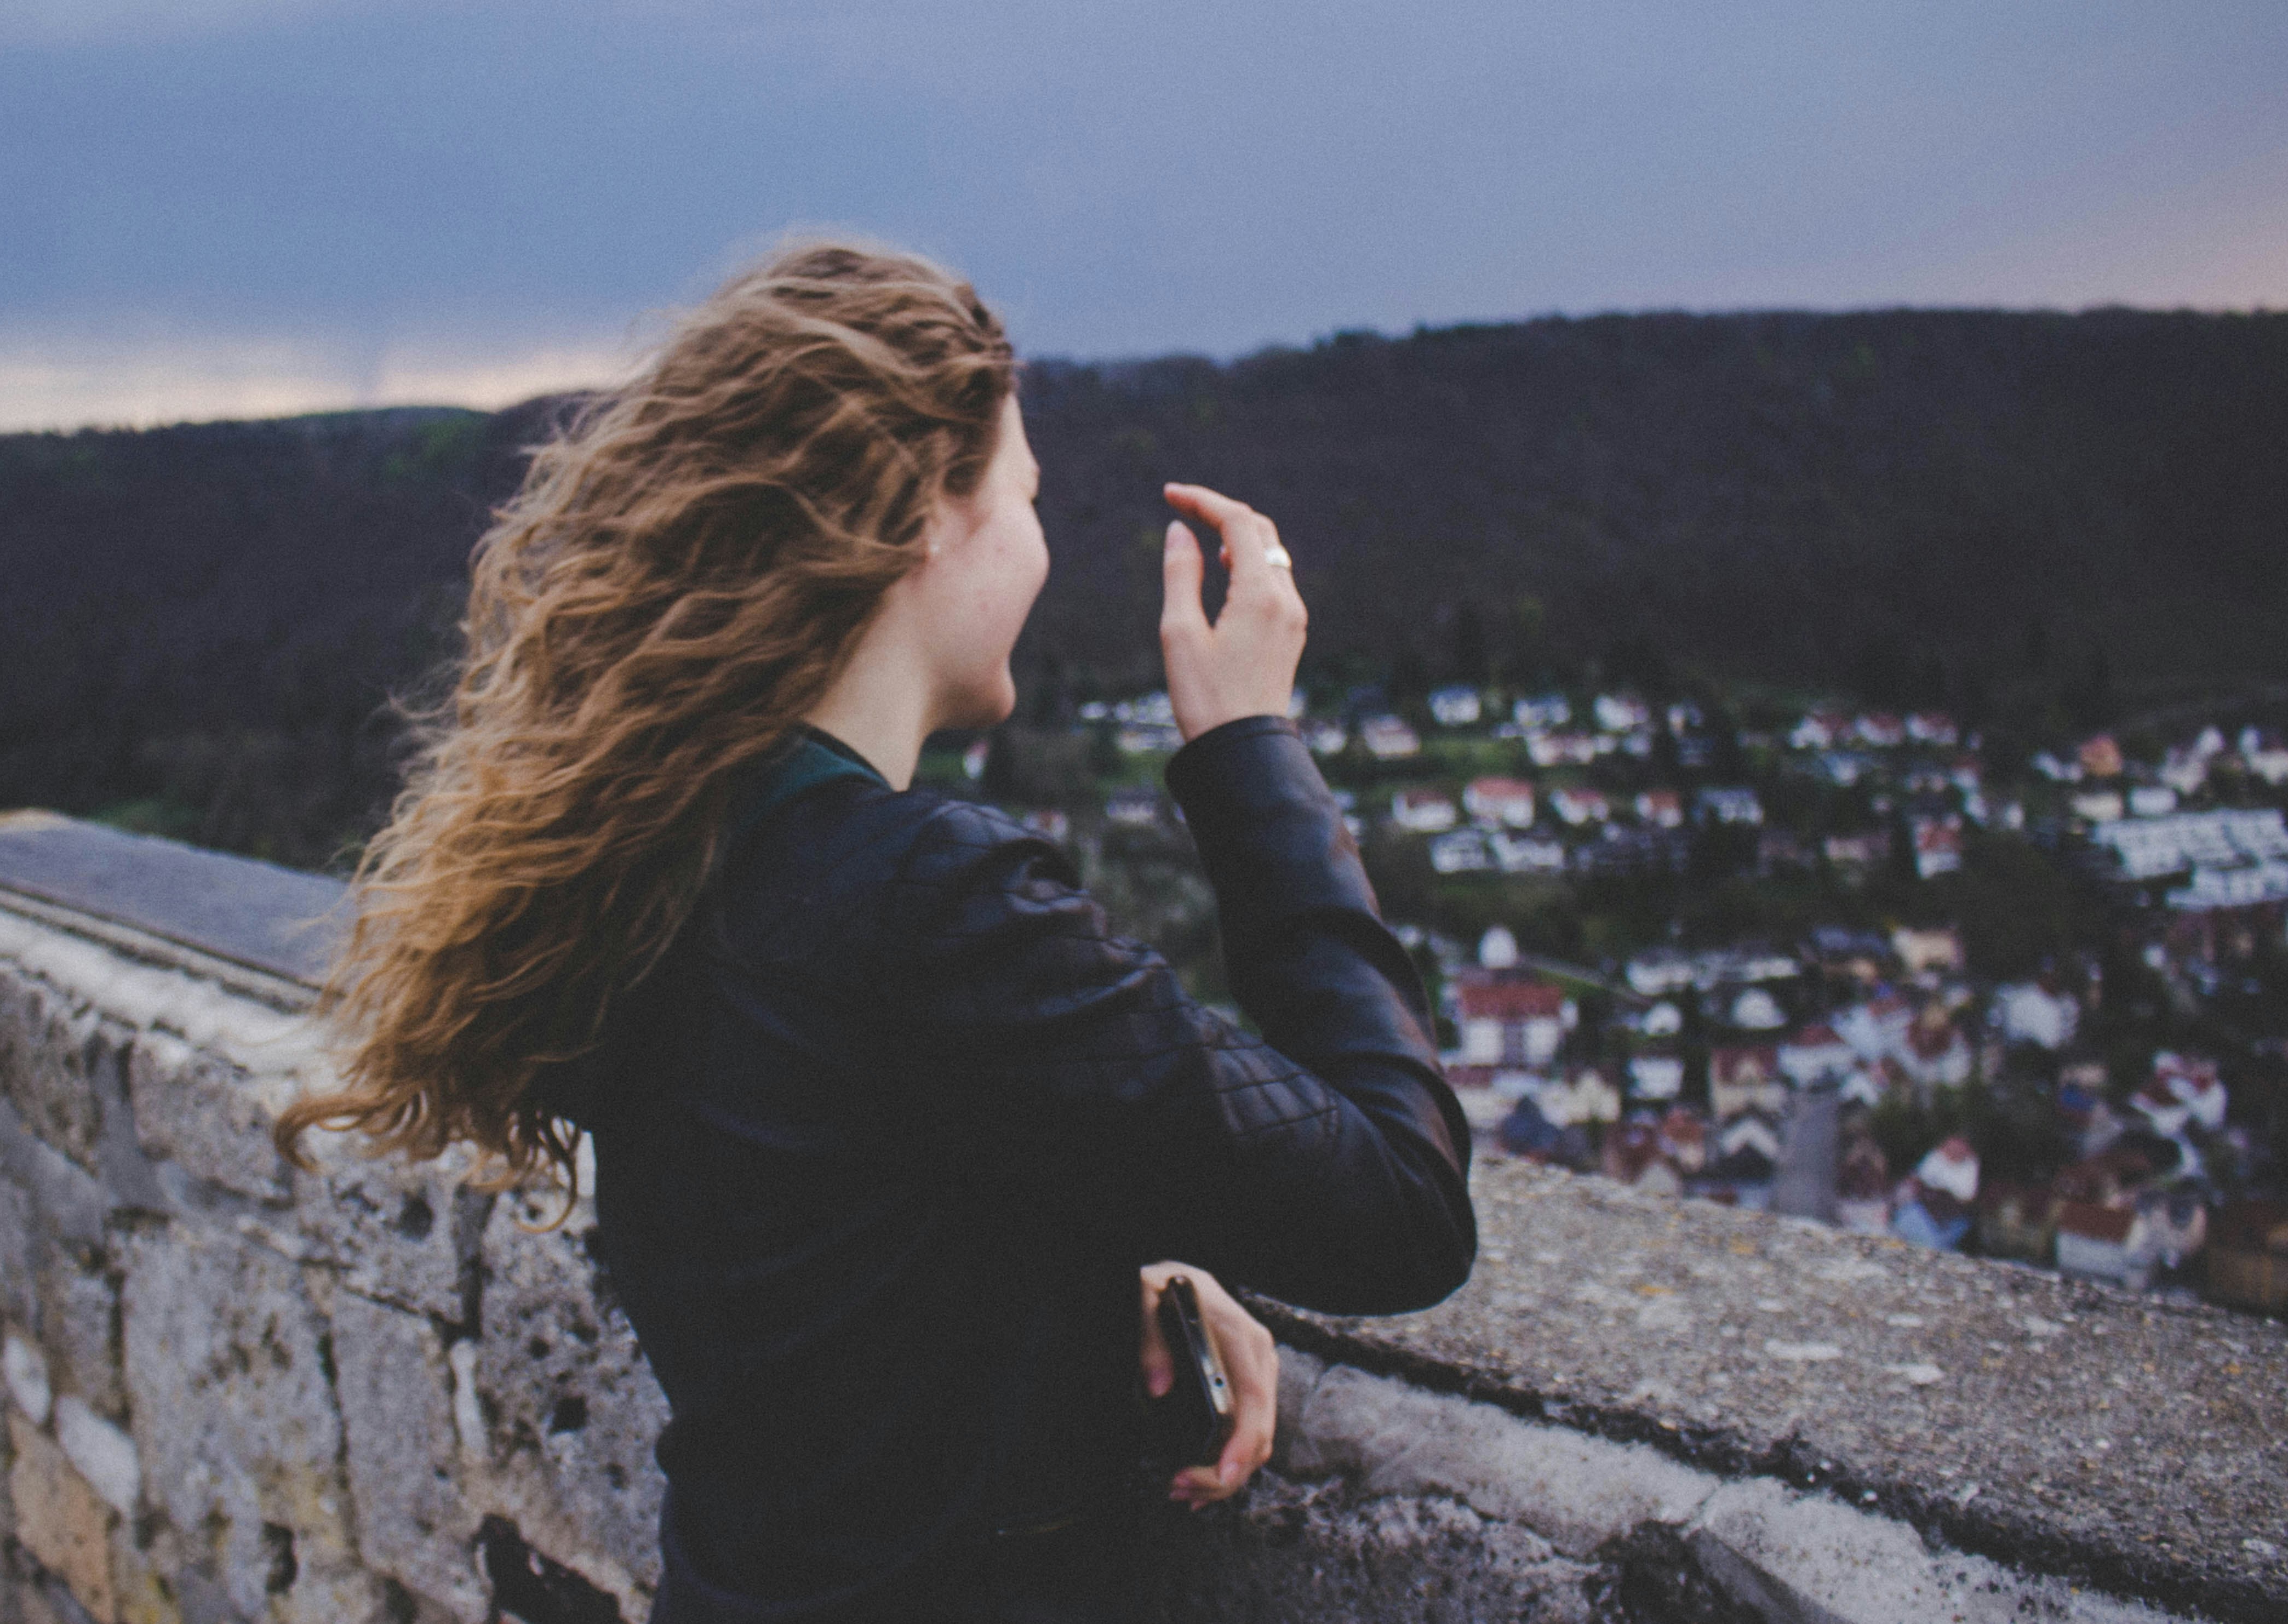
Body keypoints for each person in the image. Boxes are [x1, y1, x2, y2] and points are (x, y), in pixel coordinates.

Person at [278, 241, 1475, 1622]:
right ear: (921, 512)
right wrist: (1253, 748)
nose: (1038, 542)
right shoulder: (922, 898)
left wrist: (1098, 1281)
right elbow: (1403, 1205)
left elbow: (853, 1240)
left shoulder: (657, 864)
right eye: (1022, 497)